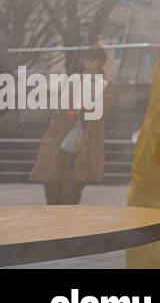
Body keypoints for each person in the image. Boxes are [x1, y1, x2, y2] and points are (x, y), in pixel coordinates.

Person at [30, 45, 113, 206]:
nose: (89, 63)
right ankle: (53, 209)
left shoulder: (106, 83)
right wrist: (66, 112)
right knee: (52, 176)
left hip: (87, 134)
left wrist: (82, 109)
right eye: (87, 59)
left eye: (93, 59)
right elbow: (62, 104)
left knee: (75, 180)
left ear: (101, 61)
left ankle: (66, 214)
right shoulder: (75, 80)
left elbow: (103, 107)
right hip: (62, 132)